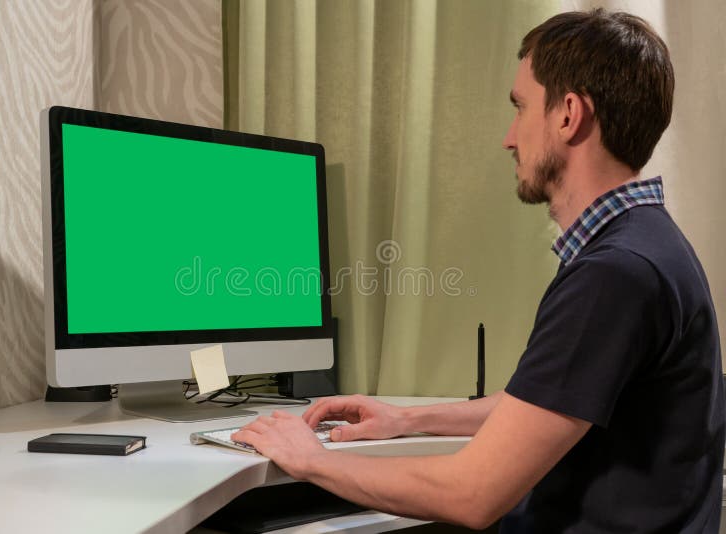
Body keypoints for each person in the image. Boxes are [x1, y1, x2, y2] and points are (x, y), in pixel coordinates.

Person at [233, 8, 725, 532]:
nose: (509, 138)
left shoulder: (618, 272)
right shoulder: (645, 243)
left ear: (568, 115)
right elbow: (540, 406)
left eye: (520, 108)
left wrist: (312, 460)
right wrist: (406, 420)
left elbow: (472, 495)